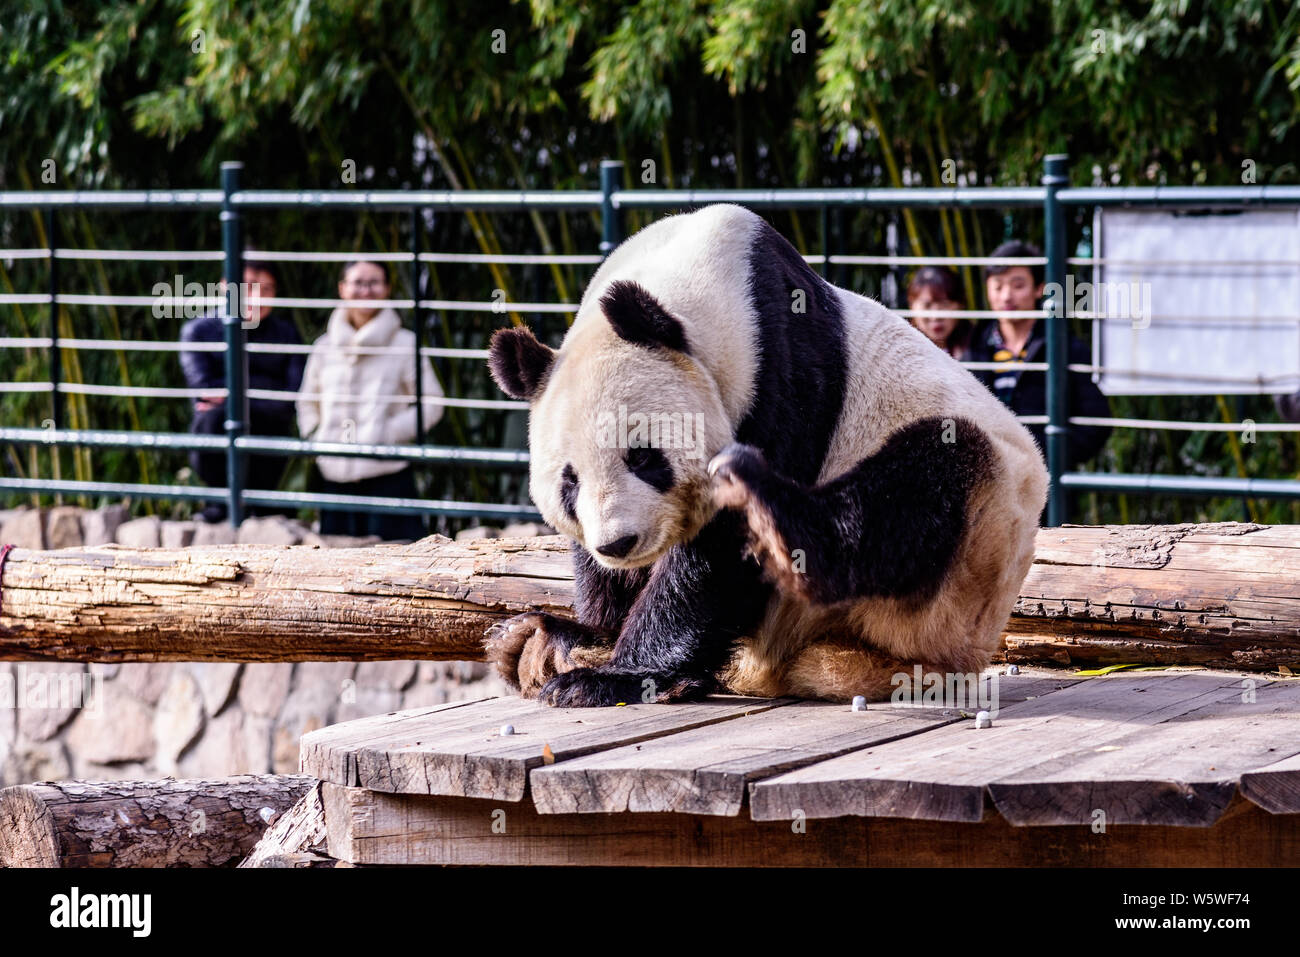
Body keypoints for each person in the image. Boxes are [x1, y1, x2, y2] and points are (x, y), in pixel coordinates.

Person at [297, 260, 444, 541]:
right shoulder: (323, 347)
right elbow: (306, 402)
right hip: (333, 476)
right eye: (357, 283)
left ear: (387, 289)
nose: (366, 290)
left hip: (388, 476)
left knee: (396, 565)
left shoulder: (405, 344)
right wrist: (316, 437)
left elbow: (433, 403)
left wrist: (389, 433)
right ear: (342, 288)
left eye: (374, 282)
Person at [969, 239, 1111, 472]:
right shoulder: (973, 349)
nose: (1006, 297)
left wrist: (1045, 459)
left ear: (1038, 289)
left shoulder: (1065, 349)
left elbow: (1096, 423)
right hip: (987, 489)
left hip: (1048, 488)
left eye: (1017, 285)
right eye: (998, 286)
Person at [179, 259, 304, 522]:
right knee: (212, 420)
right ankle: (221, 502)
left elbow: (288, 402)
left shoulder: (287, 333)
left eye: (266, 289)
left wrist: (233, 394)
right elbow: (203, 393)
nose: (256, 297)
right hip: (217, 439)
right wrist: (264, 389)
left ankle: (264, 504)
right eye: (247, 287)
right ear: (225, 287)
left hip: (271, 441)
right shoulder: (198, 331)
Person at [906, 265, 972, 360]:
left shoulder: (980, 345)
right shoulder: (902, 350)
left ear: (960, 305)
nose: (935, 316)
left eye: (944, 305)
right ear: (911, 305)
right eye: (927, 305)